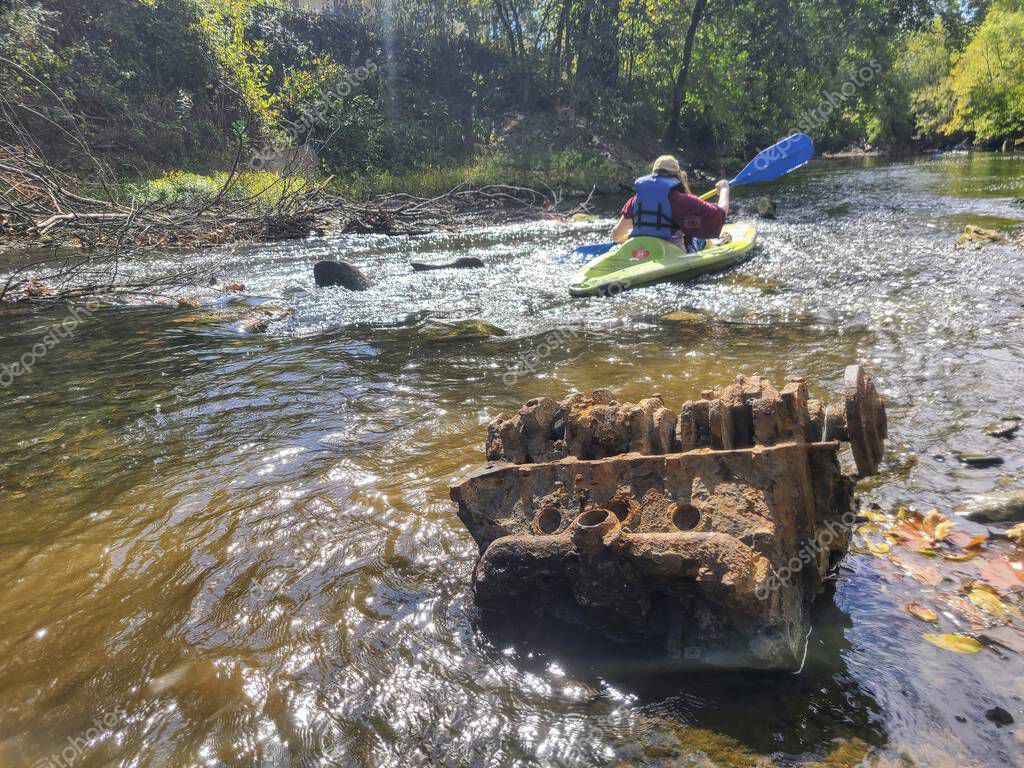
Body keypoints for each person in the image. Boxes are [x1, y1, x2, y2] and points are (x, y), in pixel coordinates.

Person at [611, 155, 730, 252]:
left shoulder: (635, 201)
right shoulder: (682, 200)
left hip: (641, 252)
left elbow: (616, 236)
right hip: (673, 254)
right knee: (699, 237)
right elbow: (720, 214)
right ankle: (716, 243)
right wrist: (724, 189)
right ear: (677, 176)